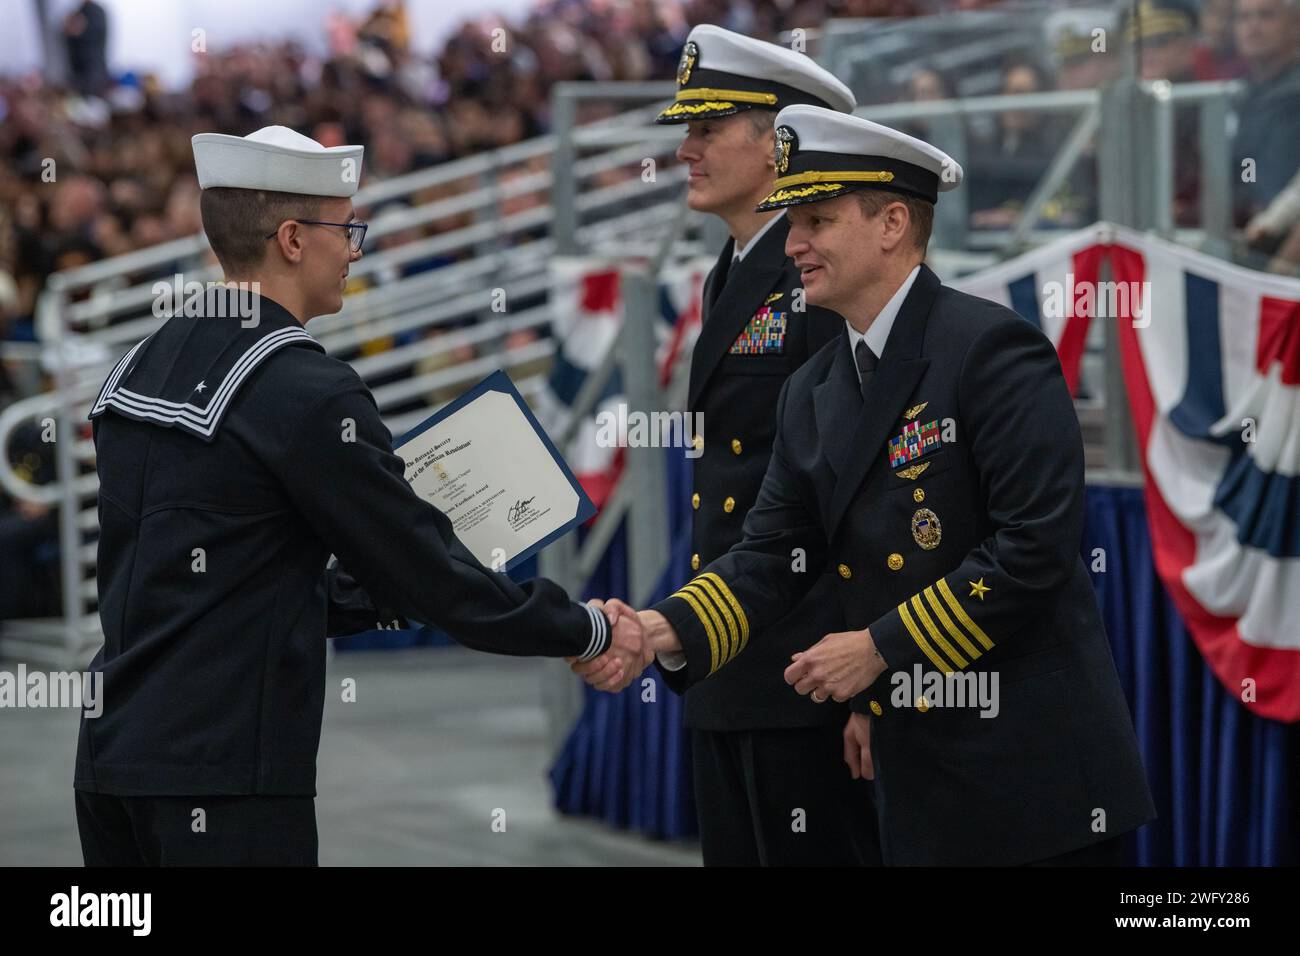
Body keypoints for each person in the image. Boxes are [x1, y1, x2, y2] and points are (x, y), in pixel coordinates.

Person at [580, 106, 1156, 866]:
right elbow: (771, 552)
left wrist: (881, 648)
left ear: (891, 223)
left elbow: (1031, 550)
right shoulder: (814, 386)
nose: (793, 245)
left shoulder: (989, 348)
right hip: (920, 772)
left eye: (817, 220)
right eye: (792, 223)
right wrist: (660, 631)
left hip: (1033, 773)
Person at [74, 126, 647, 866]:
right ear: (291, 238)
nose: (353, 250)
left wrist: (377, 584)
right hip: (222, 777)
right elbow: (433, 576)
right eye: (345, 229)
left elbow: (227, 578)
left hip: (112, 754)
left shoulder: (142, 362)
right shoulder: (306, 391)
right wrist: (586, 630)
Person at [650, 25, 880, 866]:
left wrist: (871, 687)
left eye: (708, 129)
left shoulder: (817, 278)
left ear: (779, 143)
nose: (686, 150)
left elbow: (858, 493)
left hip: (806, 669)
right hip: (737, 655)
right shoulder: (737, 269)